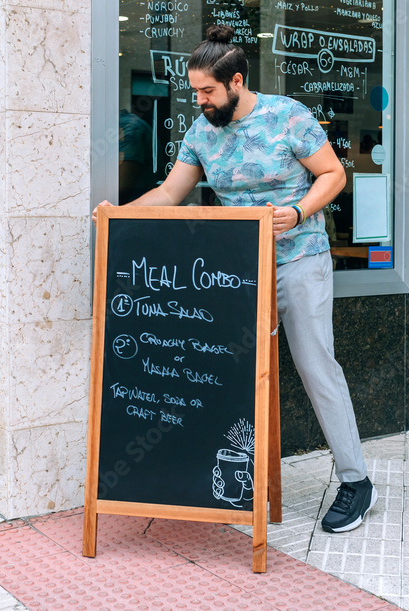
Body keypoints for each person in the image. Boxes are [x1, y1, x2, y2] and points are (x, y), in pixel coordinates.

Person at [93, 25, 374, 533]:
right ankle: (221, 479)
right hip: (234, 274)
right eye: (195, 91)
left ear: (236, 82)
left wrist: (298, 210)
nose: (199, 100)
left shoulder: (287, 116)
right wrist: (119, 213)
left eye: (207, 91)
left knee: (315, 366)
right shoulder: (201, 133)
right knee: (223, 374)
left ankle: (355, 481)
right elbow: (170, 193)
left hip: (298, 259)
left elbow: (334, 174)